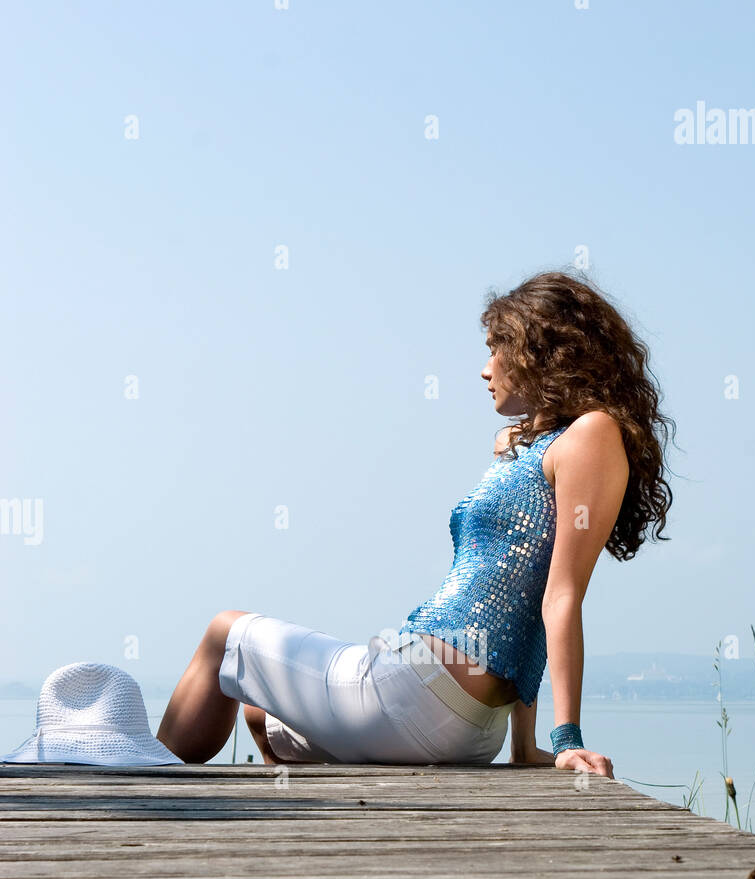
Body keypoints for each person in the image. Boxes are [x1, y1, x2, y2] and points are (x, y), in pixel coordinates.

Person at [158, 270, 673, 775]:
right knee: (260, 711)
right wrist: (524, 745)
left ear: (541, 350)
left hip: (418, 694)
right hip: (464, 726)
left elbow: (558, 596)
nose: (485, 368)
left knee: (224, 633)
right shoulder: (546, 445)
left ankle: (139, 771)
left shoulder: (591, 434)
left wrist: (567, 741)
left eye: (497, 347)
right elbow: (519, 585)